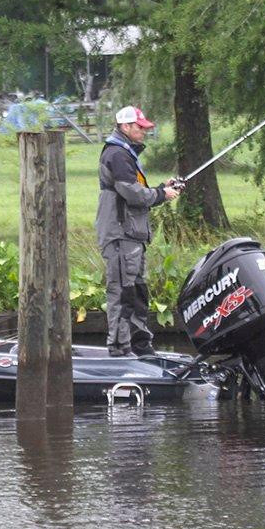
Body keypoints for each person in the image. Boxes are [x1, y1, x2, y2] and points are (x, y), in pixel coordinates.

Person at [95, 106, 181, 357]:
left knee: (138, 291)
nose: (144, 131)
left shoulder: (127, 154)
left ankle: (140, 346)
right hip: (120, 235)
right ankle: (120, 349)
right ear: (125, 127)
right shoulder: (117, 154)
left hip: (132, 236)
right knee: (123, 292)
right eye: (140, 127)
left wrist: (160, 188)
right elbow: (131, 193)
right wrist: (160, 195)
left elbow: (137, 189)